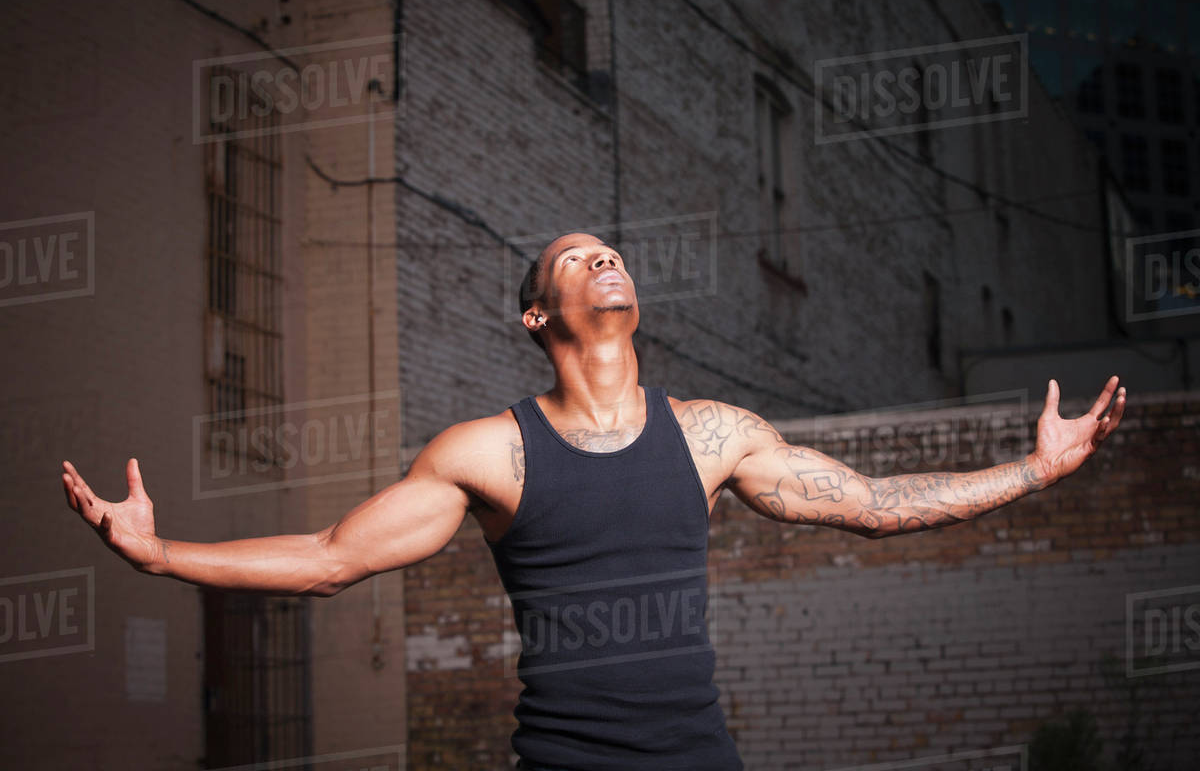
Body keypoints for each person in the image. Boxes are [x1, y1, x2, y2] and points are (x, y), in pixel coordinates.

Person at [62, 232, 1126, 771]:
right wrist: (163, 557)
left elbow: (877, 501)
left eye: (610, 250)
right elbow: (333, 553)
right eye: (576, 258)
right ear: (538, 314)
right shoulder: (488, 452)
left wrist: (1035, 471)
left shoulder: (714, 434)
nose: (603, 257)